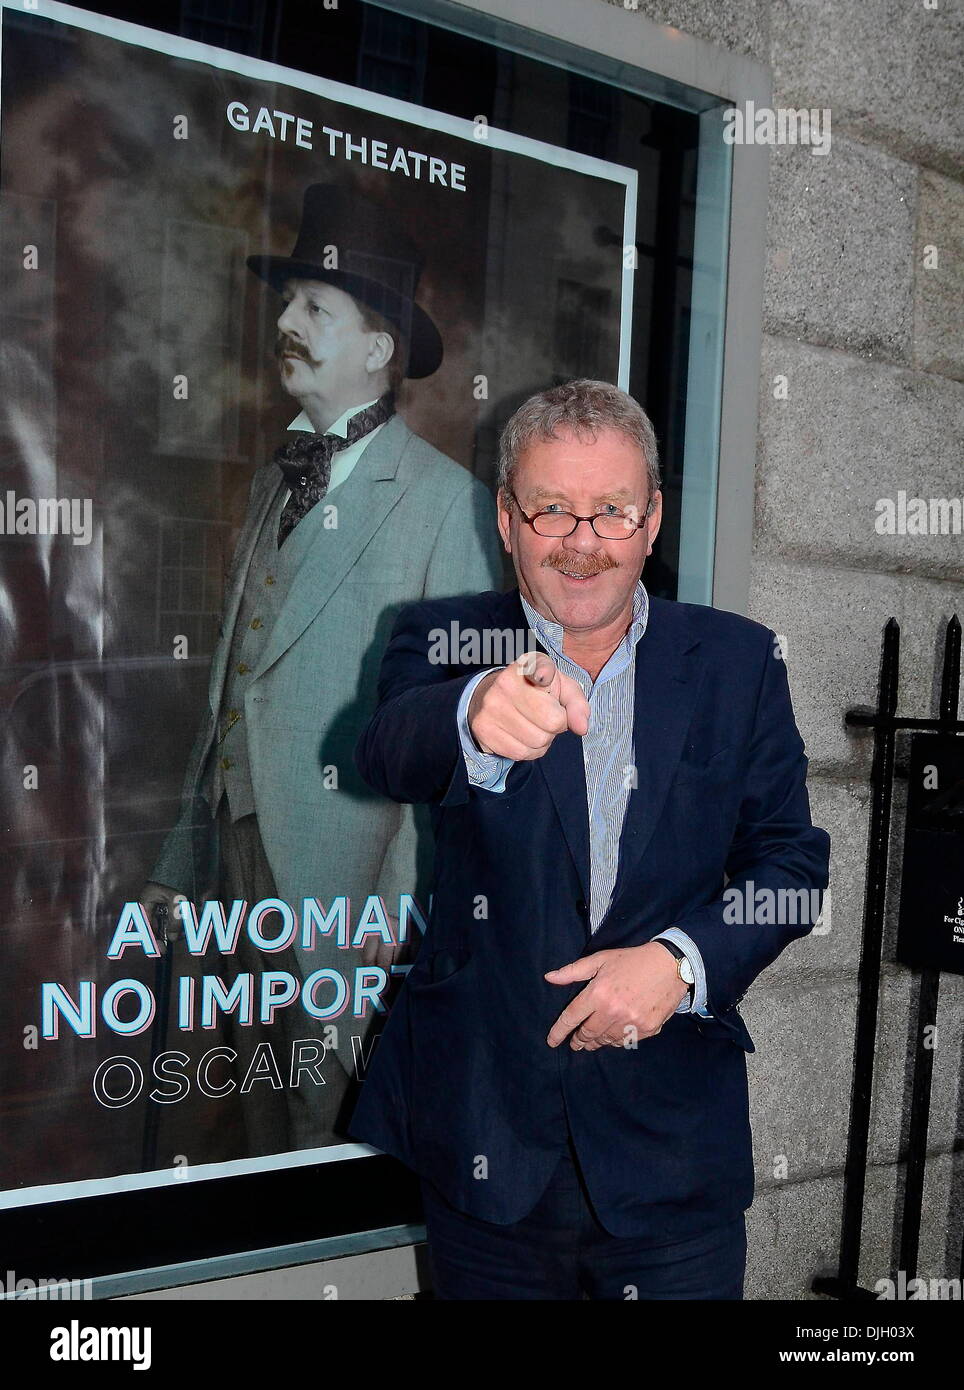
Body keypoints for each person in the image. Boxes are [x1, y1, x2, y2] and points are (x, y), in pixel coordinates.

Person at [350, 377, 830, 1300]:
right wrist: (474, 711)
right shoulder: (443, 639)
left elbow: (792, 865)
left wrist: (680, 964)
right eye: (552, 511)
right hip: (488, 1139)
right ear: (506, 519)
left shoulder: (738, 660)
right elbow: (386, 749)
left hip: (671, 1157)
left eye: (611, 511)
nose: (582, 543)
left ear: (651, 521)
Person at [142, 184, 502, 1156]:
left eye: (315, 308)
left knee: (324, 1122)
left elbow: (458, 724)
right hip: (235, 856)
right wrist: (183, 859)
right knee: (248, 1102)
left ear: (380, 348)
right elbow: (234, 681)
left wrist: (401, 900)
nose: (286, 324)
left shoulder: (448, 508)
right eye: (288, 303)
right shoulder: (276, 477)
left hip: (342, 881)